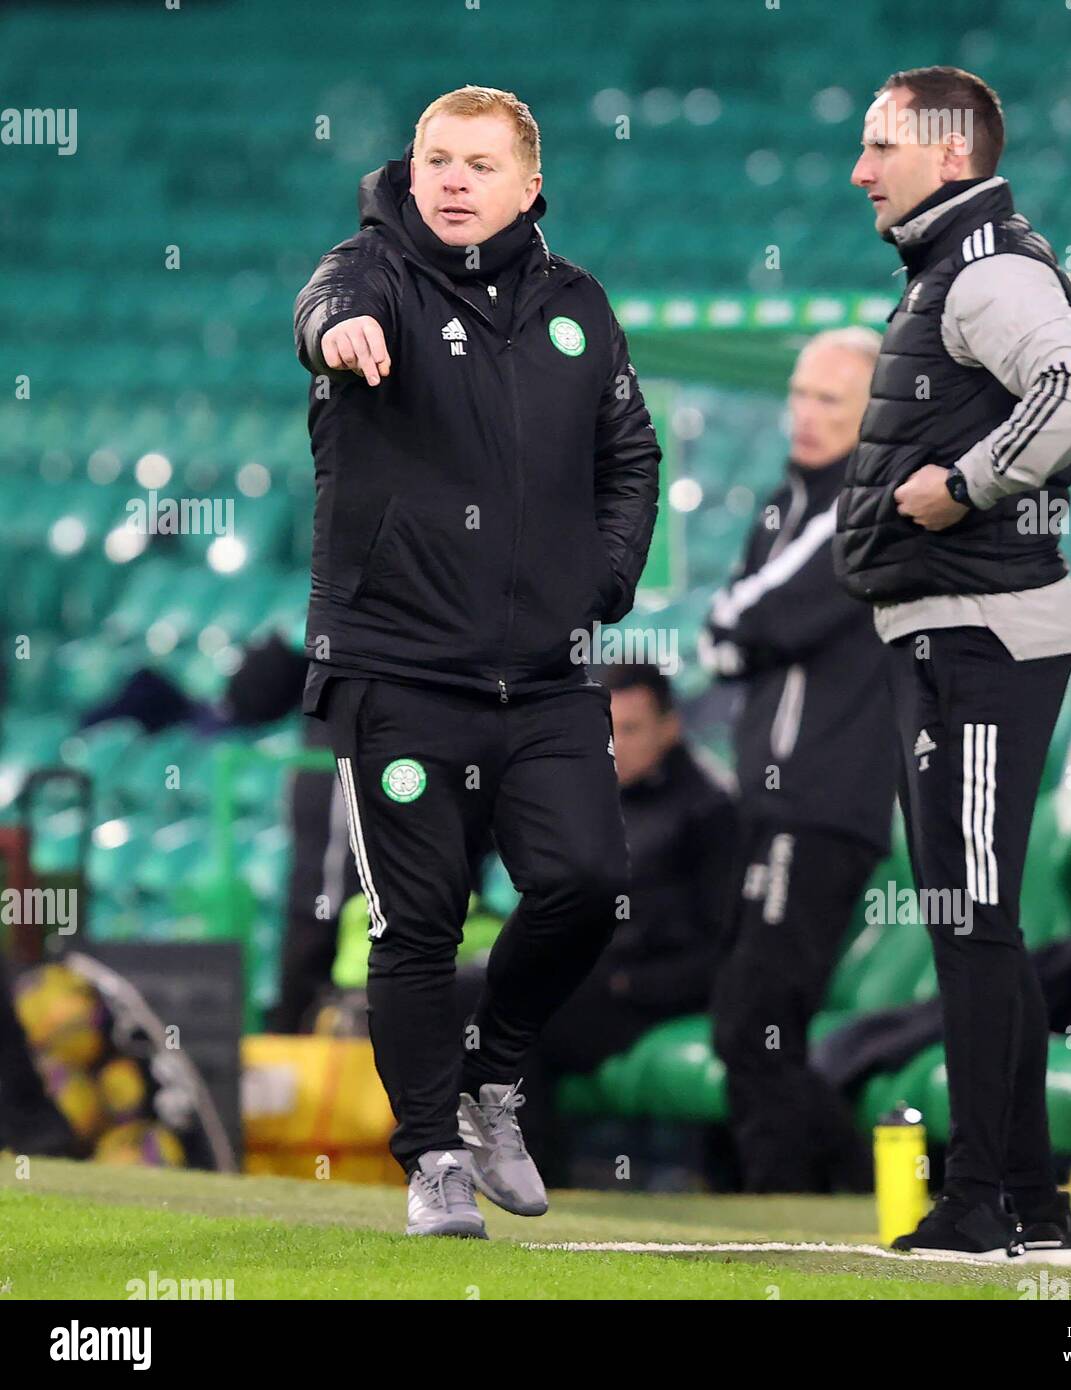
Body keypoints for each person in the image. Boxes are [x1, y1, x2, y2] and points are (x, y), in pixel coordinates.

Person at [293, 86, 660, 1237]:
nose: (451, 180)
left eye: (478, 164)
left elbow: (630, 453)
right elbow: (320, 307)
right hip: (401, 670)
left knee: (590, 880)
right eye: (434, 160)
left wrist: (599, 583)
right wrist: (334, 335)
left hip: (547, 674)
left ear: (528, 185)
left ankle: (493, 1079)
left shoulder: (578, 307)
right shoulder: (370, 275)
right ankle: (430, 1157)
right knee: (418, 922)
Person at [834, 66, 1071, 1260]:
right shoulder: (959, 264)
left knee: (972, 914)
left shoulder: (990, 268)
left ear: (950, 155)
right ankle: (1022, 1200)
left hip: (983, 630)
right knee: (969, 915)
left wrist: (966, 483)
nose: (861, 170)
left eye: (880, 145)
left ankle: (991, 1196)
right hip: (953, 631)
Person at [701, 329, 898, 1193]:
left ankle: (787, 1207)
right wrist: (735, 634)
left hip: (819, 807)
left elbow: (745, 624)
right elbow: (739, 629)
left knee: (757, 1022)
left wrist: (734, 633)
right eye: (802, 395)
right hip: (774, 803)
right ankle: (847, 1187)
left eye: (832, 402)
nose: (807, 417)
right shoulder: (786, 502)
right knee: (749, 1024)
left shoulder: (866, 501)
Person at [456, 663, 736, 1183]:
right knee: (465, 987)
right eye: (607, 730)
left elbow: (724, 945)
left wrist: (634, 984)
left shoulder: (709, 812)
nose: (617, 745)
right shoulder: (585, 800)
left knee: (518, 1014)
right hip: (582, 976)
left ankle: (533, 1170)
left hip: (643, 991)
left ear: (670, 728)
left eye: (631, 729)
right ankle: (457, 1159)